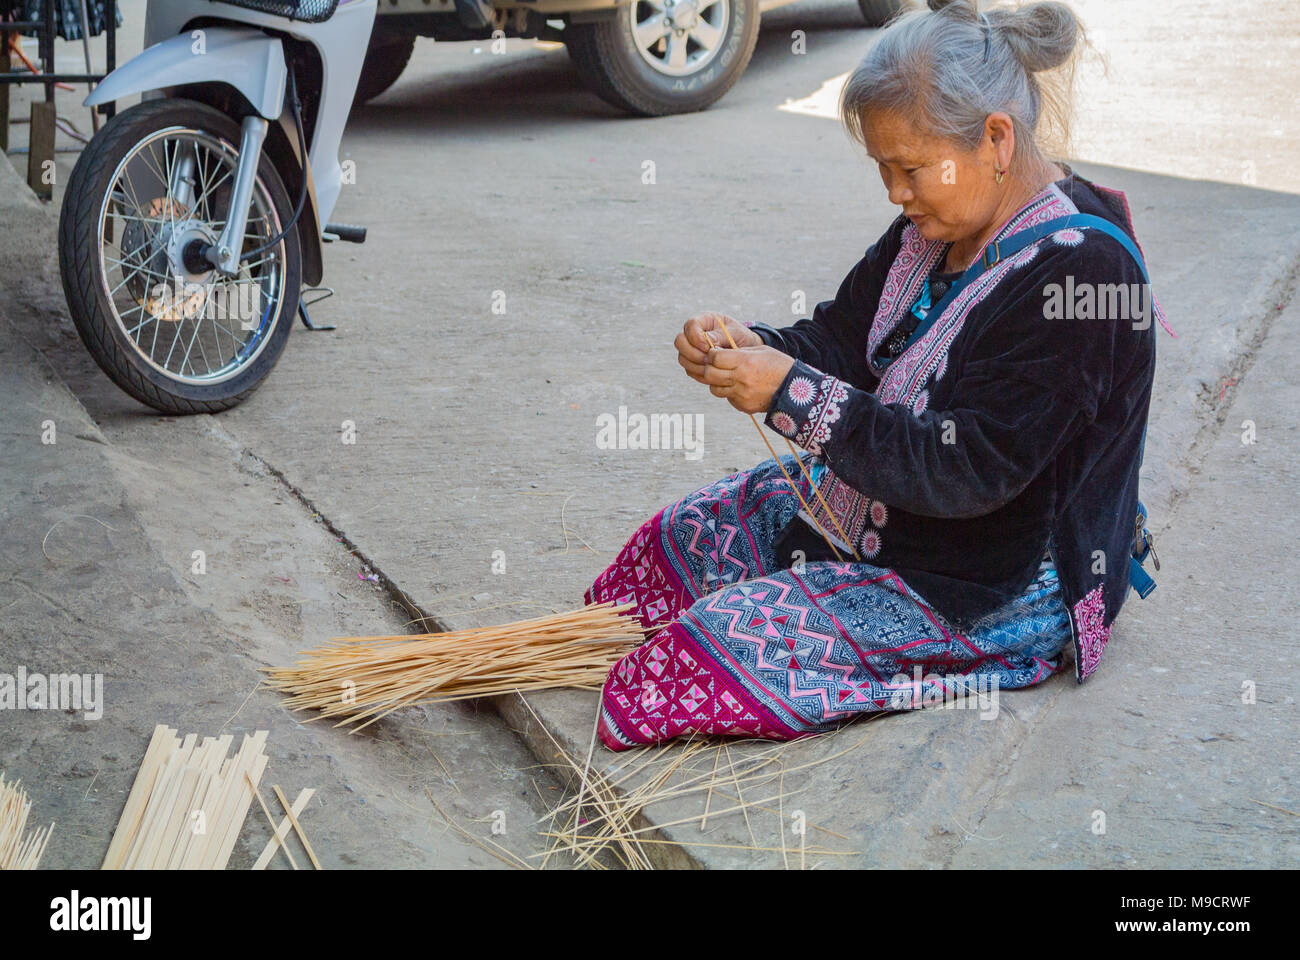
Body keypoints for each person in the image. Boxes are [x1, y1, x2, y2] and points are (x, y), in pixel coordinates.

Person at [585, 0, 1172, 751]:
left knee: (697, 658)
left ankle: (1006, 642)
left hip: (999, 578)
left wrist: (790, 393)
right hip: (897, 505)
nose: (895, 193)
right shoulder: (939, 226)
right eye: (884, 170)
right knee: (683, 541)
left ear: (996, 139)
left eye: (910, 169)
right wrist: (751, 348)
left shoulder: (1083, 277)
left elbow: (966, 470)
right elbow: (840, 337)